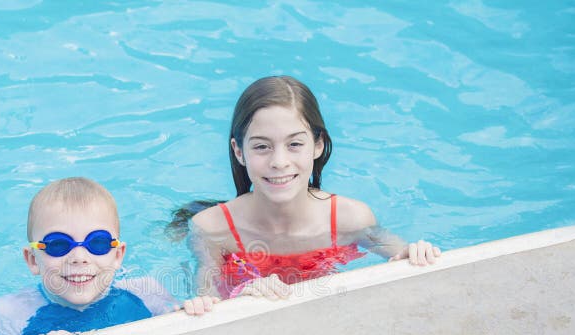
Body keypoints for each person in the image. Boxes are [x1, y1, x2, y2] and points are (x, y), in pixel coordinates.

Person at [184, 75, 441, 300]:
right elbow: (208, 303)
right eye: (262, 146)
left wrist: (415, 253)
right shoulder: (212, 230)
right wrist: (241, 297)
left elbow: (402, 256)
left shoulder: (349, 219)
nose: (279, 162)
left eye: (294, 144)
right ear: (239, 151)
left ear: (318, 145)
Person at [0, 177, 217, 335]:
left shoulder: (147, 292)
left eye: (97, 243)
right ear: (32, 260)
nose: (79, 257)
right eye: (58, 245)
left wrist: (194, 310)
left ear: (118, 255)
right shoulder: (11, 312)